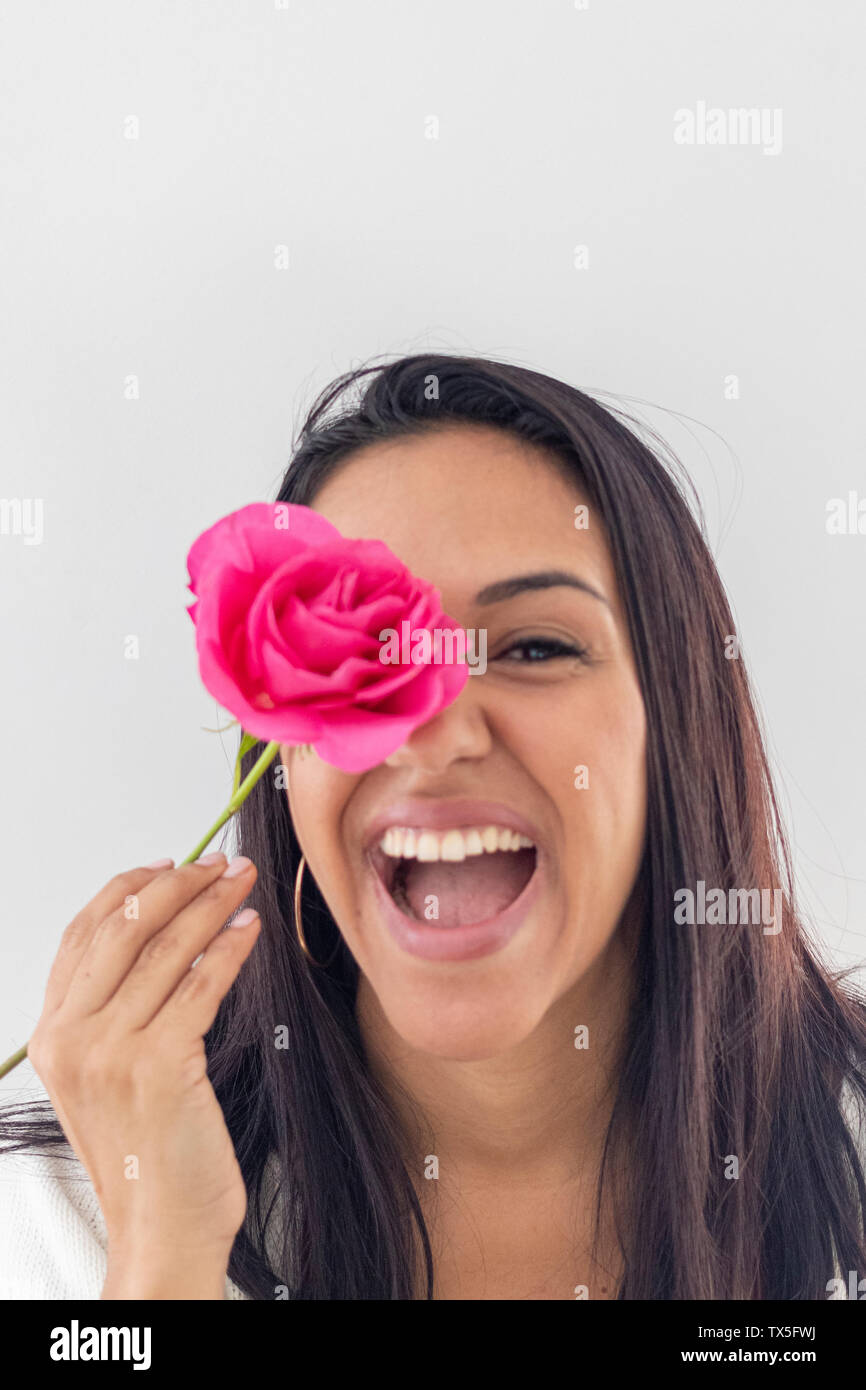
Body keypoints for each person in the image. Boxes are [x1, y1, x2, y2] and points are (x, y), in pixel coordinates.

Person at [1, 353, 864, 1300]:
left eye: (536, 646)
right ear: (283, 760)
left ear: (676, 723)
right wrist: (165, 1257)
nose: (436, 734)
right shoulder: (62, 1213)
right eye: (371, 654)